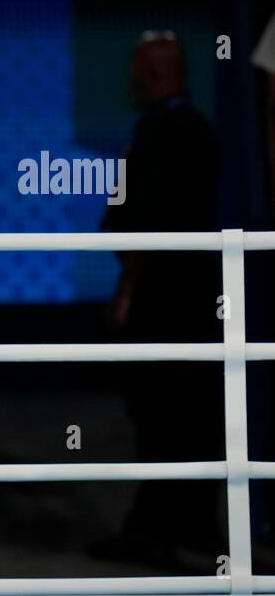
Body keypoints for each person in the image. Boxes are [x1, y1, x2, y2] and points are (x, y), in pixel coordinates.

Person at [93, 32, 224, 568]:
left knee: (164, 415)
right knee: (186, 412)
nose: (129, 85)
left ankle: (156, 533)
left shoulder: (168, 134)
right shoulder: (191, 130)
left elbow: (146, 220)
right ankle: (190, 527)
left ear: (152, 76)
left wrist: (129, 286)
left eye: (135, 75)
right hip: (191, 295)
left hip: (167, 298)